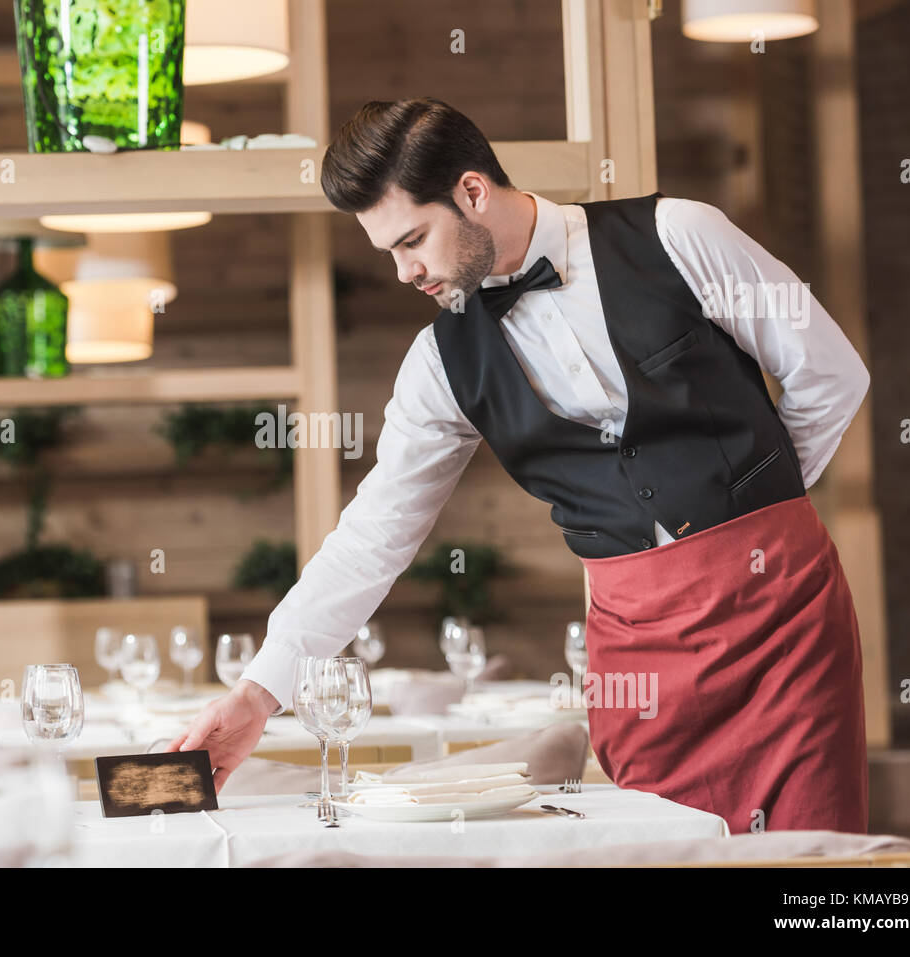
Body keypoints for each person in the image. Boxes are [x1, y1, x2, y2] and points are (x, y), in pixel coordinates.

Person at [166, 97, 870, 833]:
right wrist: (257, 694)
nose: (406, 272)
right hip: (638, 651)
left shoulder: (679, 233)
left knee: (810, 860)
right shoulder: (441, 363)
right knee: (661, 848)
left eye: (413, 240)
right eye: (389, 253)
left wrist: (759, 510)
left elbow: (829, 375)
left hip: (785, 621)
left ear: (473, 191)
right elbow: (374, 536)